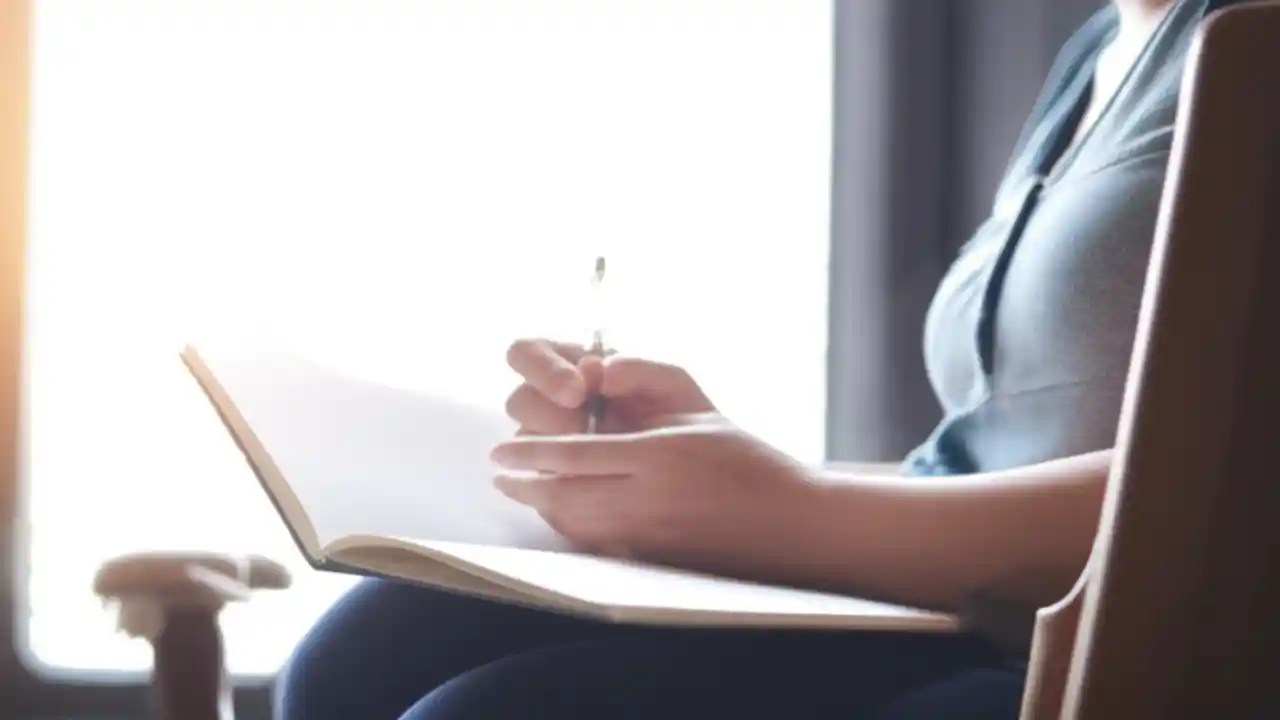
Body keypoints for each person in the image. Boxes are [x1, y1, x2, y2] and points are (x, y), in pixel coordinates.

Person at [275, 1, 1237, 717]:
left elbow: (1240, 491)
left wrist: (790, 511)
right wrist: (707, 479)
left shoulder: (1245, 43)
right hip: (959, 604)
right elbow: (1009, 447)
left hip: (1086, 655)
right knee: (361, 653)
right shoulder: (1101, 47)